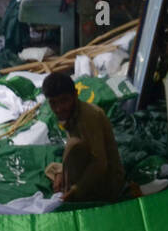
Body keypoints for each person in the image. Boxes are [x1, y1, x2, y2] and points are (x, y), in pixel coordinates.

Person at [41, 71, 124, 202]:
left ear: (75, 95)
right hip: (88, 165)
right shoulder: (71, 114)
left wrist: (74, 191)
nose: (58, 109)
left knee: (73, 146)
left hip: (108, 182)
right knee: (54, 166)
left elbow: (100, 163)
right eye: (53, 103)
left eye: (64, 101)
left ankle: (69, 188)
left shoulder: (89, 117)